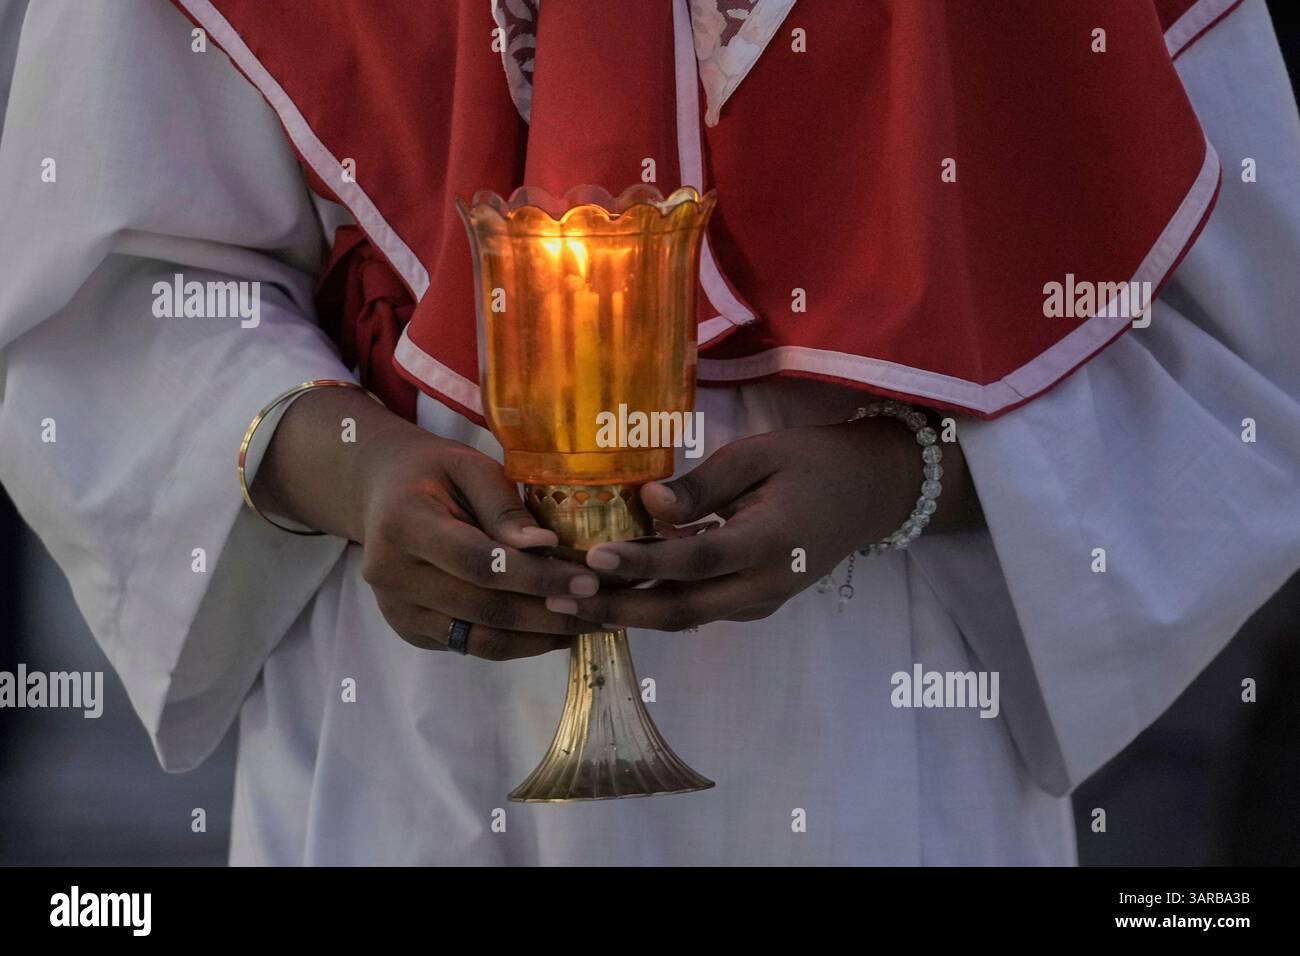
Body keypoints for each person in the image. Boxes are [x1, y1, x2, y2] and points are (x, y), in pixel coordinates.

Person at [1, 0, 1297, 865]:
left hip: (869, 736)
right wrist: (355, 470)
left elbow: (1241, 347)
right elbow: (114, 292)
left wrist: (903, 477)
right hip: (411, 730)